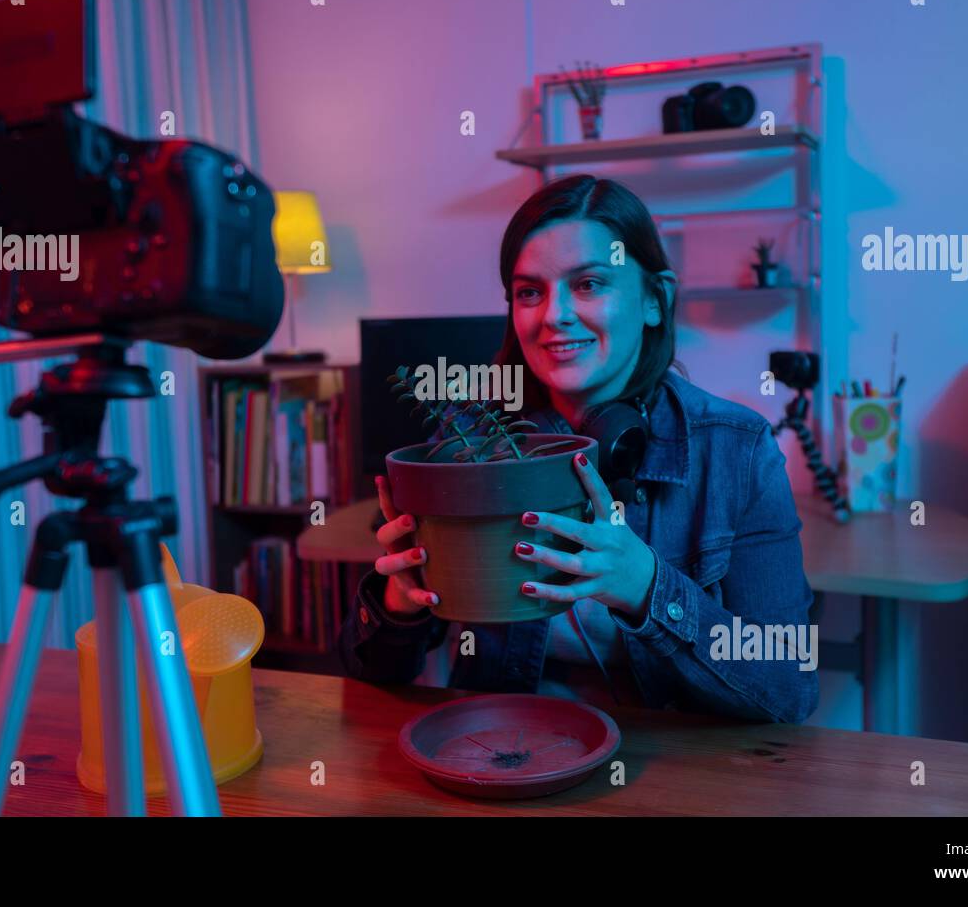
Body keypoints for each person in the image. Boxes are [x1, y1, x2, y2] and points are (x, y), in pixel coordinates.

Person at [337, 174, 818, 723]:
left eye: (589, 284)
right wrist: (400, 607)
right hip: (505, 764)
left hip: (677, 778)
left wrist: (646, 588)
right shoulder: (468, 445)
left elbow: (788, 689)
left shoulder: (738, 451)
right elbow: (367, 675)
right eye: (529, 292)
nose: (553, 315)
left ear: (654, 301)